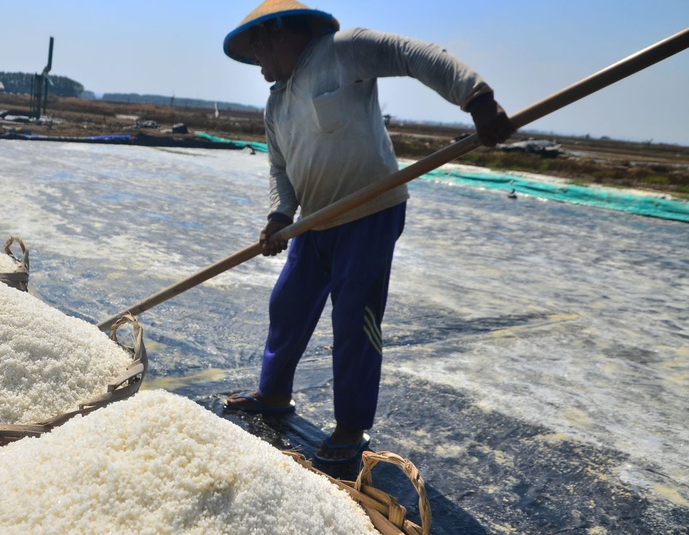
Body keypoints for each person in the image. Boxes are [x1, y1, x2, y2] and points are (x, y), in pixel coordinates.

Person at [221, 0, 515, 466]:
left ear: (275, 33)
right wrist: (281, 216)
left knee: (355, 318)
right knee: (288, 306)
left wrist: (475, 98)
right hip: (314, 221)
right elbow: (280, 167)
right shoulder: (277, 103)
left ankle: (350, 428)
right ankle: (274, 394)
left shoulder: (343, 50)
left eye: (256, 53)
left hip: (369, 212)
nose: (257, 65)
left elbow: (413, 54)